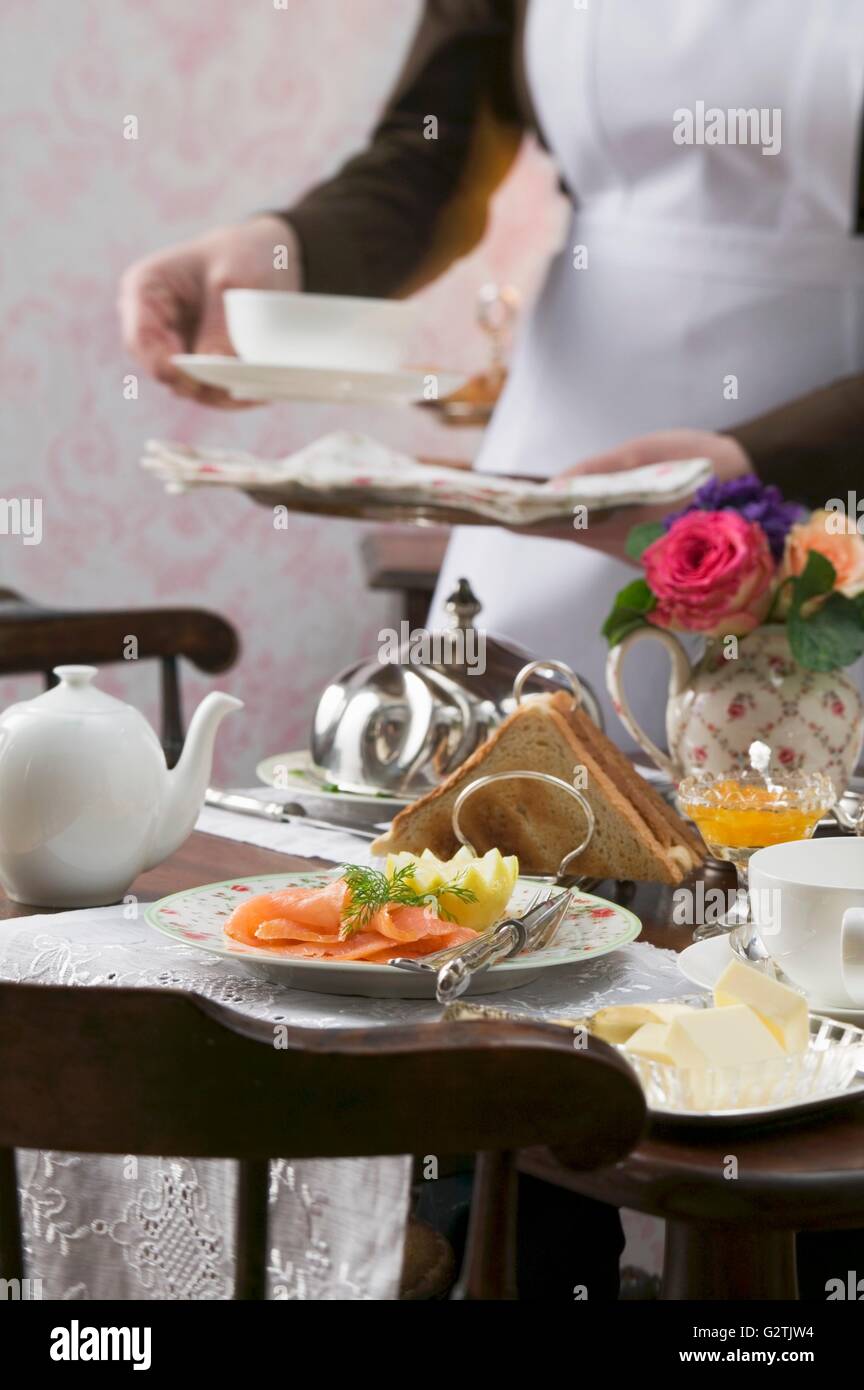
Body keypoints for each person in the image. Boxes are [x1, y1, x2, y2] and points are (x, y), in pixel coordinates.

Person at [120, 0, 864, 747]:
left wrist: (762, 467)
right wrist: (277, 254)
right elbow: (432, 150)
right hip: (560, 446)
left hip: (831, 442)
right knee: (510, 796)